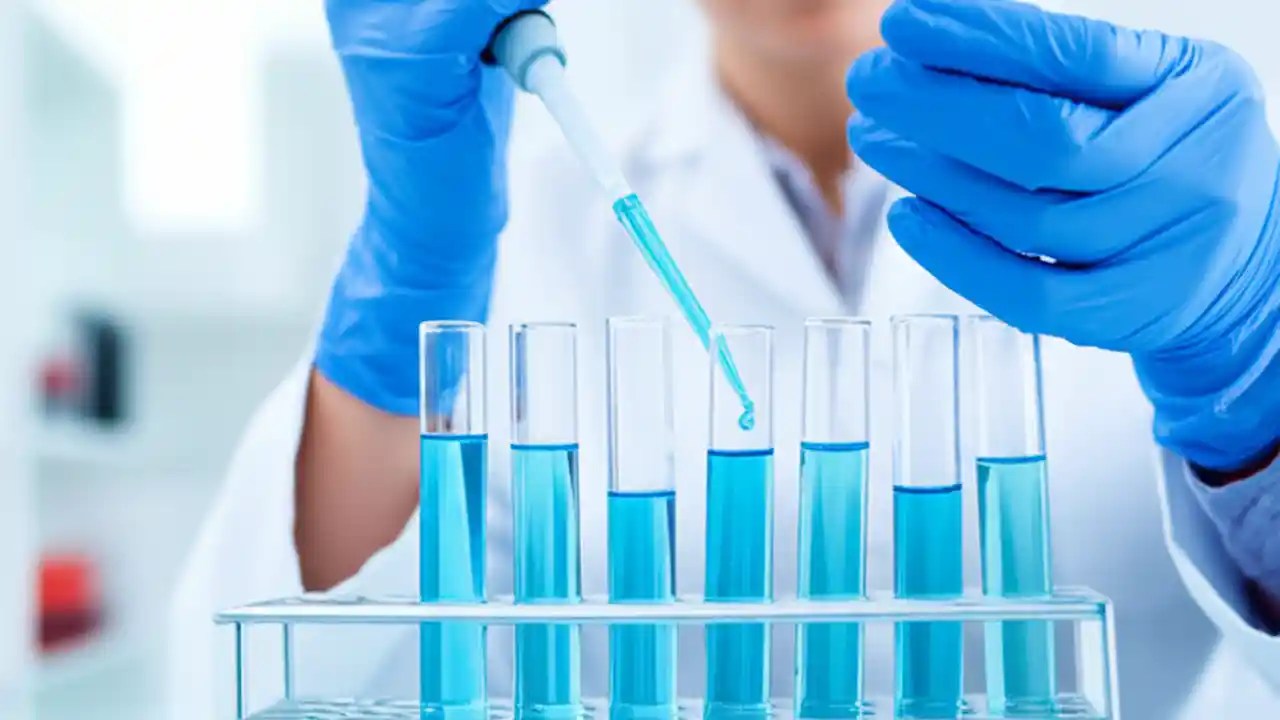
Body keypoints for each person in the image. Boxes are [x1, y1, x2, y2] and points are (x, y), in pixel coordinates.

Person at [169, 0, 1280, 716]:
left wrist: (1254, 394)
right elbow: (286, 691)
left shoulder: (1175, 181)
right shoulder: (513, 235)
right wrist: (405, 277)